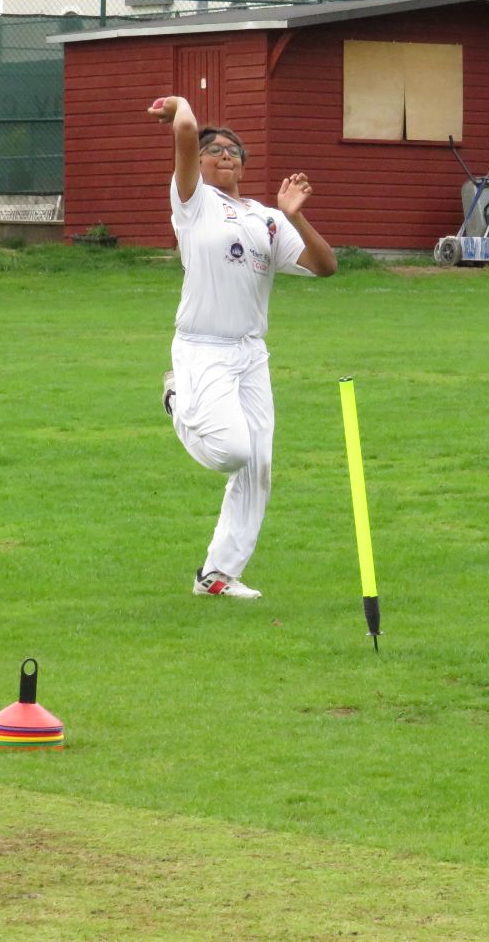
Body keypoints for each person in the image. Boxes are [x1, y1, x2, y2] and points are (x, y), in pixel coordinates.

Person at [148, 94, 338, 599]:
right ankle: (176, 401)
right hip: (202, 346)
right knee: (231, 451)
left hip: (250, 352)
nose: (225, 154)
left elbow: (326, 266)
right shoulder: (193, 203)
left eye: (234, 149)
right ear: (200, 163)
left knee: (258, 465)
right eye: (215, 150)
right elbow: (185, 132)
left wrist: (294, 216)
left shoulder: (266, 218)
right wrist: (184, 107)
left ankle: (216, 575)